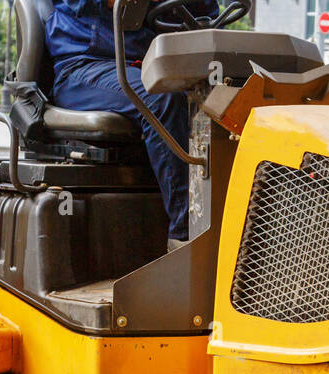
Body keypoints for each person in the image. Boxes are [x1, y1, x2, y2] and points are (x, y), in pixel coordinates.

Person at [44, 0, 219, 242]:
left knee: (222, 97)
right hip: (85, 67)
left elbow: (207, 10)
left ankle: (232, 222)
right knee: (161, 97)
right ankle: (186, 236)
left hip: (146, 65)